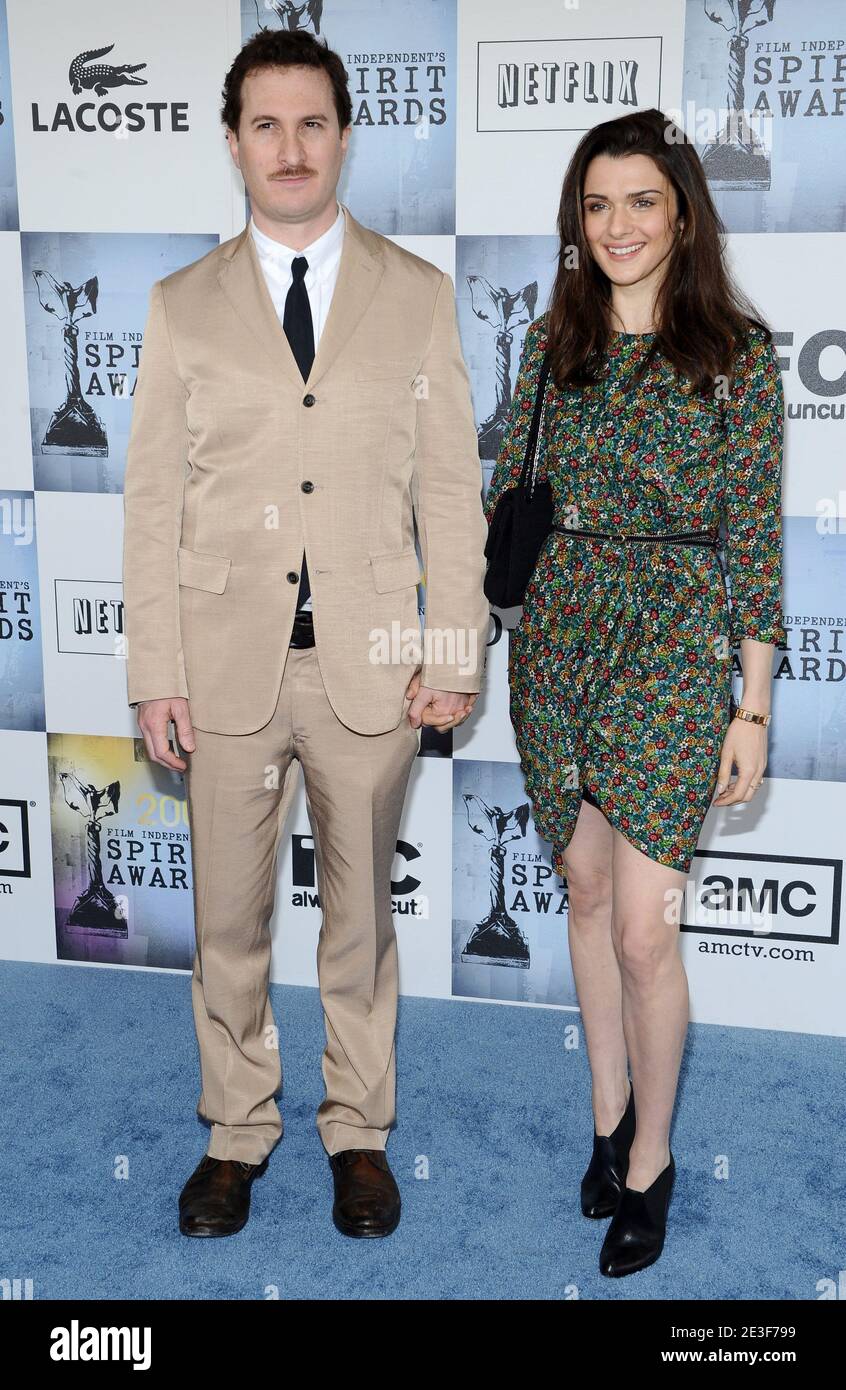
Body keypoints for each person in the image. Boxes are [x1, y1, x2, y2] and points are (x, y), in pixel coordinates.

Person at [122, 28, 488, 1240]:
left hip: (373, 665)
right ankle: (236, 1129)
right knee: (228, 920)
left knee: (359, 917)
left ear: (344, 135)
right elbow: (152, 506)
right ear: (233, 143)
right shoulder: (181, 307)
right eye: (266, 125)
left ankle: (359, 1131)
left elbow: (448, 494)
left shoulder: (417, 294)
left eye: (312, 123)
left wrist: (452, 650)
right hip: (224, 667)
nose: (290, 147)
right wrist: (154, 672)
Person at [483, 108, 785, 1277]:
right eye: (597, 206)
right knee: (586, 891)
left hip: (669, 653)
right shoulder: (550, 350)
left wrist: (750, 705)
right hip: (556, 647)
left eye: (641, 202)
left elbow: (754, 542)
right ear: (578, 222)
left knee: (648, 933)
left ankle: (653, 1160)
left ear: (685, 213)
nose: (617, 226)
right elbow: (512, 495)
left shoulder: (739, 360)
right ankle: (606, 1117)